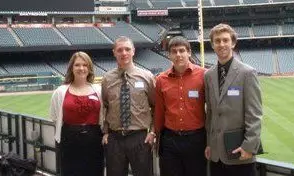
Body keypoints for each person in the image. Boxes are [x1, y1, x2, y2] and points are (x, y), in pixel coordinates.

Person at [204, 24, 262, 176]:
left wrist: (249, 146)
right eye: (217, 41)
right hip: (216, 155)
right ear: (212, 45)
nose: (221, 44)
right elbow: (210, 113)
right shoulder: (208, 75)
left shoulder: (247, 73)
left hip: (240, 151)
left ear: (233, 43)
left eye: (225, 40)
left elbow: (254, 114)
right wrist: (209, 144)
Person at [101, 36, 155, 176]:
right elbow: (105, 106)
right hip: (115, 139)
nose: (123, 53)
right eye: (119, 50)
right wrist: (106, 132)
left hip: (139, 138)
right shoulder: (107, 79)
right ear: (114, 52)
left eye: (127, 49)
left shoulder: (147, 76)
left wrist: (152, 131)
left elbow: (156, 106)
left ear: (133, 51)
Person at [155, 36, 207, 176]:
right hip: (170, 140)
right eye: (174, 51)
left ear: (189, 52)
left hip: (196, 139)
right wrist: (155, 133)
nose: (178, 55)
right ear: (169, 55)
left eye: (182, 50)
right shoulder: (161, 79)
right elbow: (159, 111)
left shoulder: (204, 75)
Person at [50, 51, 104, 176]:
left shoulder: (99, 90)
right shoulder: (60, 92)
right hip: (68, 140)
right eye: (77, 65)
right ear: (71, 68)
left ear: (89, 68)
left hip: (94, 140)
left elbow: (104, 116)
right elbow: (54, 117)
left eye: (85, 65)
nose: (81, 68)